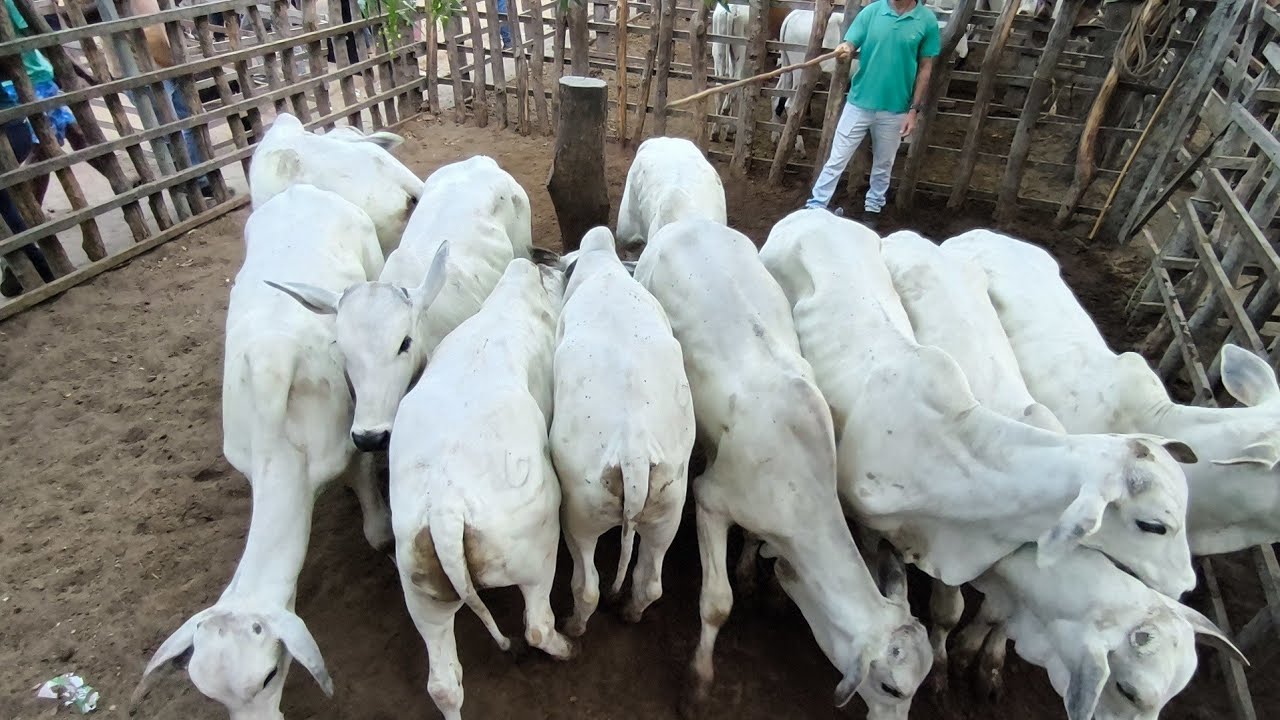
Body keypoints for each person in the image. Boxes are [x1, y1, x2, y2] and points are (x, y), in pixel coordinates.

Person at [803, 0, 940, 230]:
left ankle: (873, 209)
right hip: (859, 102)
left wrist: (913, 110)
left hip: (896, 107)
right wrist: (846, 48)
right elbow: (851, 41)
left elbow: (926, 67)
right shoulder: (872, 12)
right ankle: (816, 205)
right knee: (837, 157)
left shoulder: (926, 21)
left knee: (884, 163)